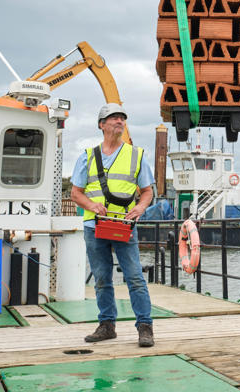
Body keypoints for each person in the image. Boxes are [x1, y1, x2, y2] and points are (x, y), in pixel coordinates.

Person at [70, 103, 156, 347]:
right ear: (102, 124)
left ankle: (145, 327)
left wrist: (140, 208)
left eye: (122, 118)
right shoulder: (87, 156)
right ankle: (107, 326)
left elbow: (148, 191)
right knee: (101, 278)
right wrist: (93, 206)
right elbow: (76, 194)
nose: (119, 121)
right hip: (93, 226)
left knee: (135, 277)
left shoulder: (136, 155)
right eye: (113, 117)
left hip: (123, 225)